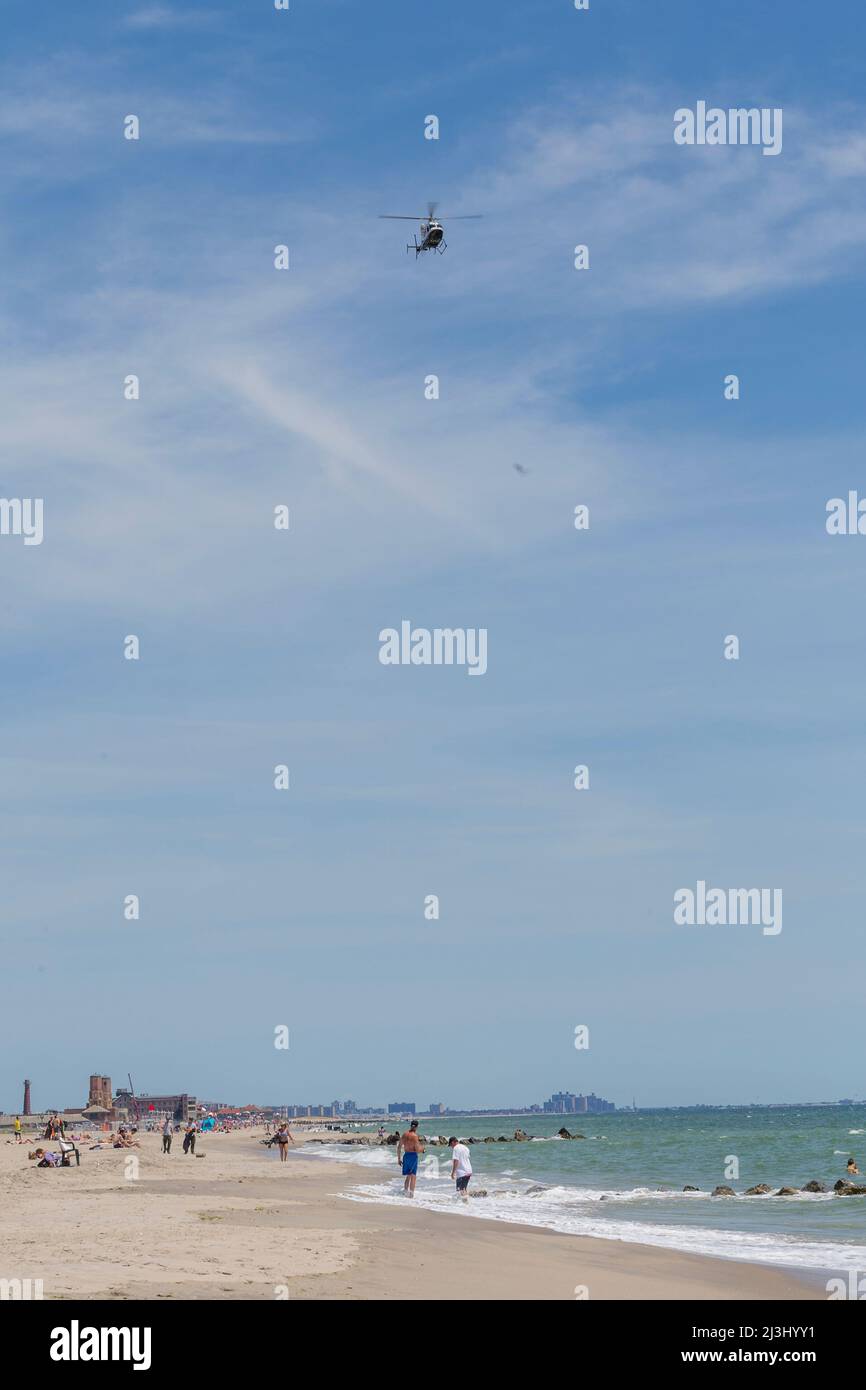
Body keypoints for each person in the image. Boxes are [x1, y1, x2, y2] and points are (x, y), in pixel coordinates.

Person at [396, 1120, 425, 1198]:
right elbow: (417, 1150)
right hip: (413, 1157)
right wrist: (423, 1149)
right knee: (413, 1176)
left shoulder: (404, 1134)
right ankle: (411, 1195)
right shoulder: (415, 1136)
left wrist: (398, 1159)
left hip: (406, 1156)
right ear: (417, 1127)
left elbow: (399, 1147)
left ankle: (405, 1192)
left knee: (408, 1176)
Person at [449, 1136, 473, 1201]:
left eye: (451, 1145)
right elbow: (467, 1158)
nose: (451, 1147)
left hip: (461, 1172)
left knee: (459, 1190)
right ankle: (466, 1204)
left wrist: (453, 1173)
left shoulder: (456, 1148)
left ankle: (462, 1206)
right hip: (469, 1171)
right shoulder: (465, 1147)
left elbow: (456, 1161)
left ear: (453, 1142)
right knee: (464, 1189)